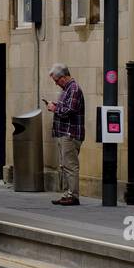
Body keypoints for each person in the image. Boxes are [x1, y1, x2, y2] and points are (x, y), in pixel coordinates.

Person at [44, 63, 85, 206]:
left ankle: (73, 195)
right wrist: (56, 105)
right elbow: (67, 107)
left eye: (56, 81)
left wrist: (54, 108)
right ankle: (67, 194)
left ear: (63, 77)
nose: (56, 84)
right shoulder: (68, 89)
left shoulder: (73, 88)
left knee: (70, 165)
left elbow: (69, 110)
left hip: (70, 133)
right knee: (65, 165)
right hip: (65, 133)